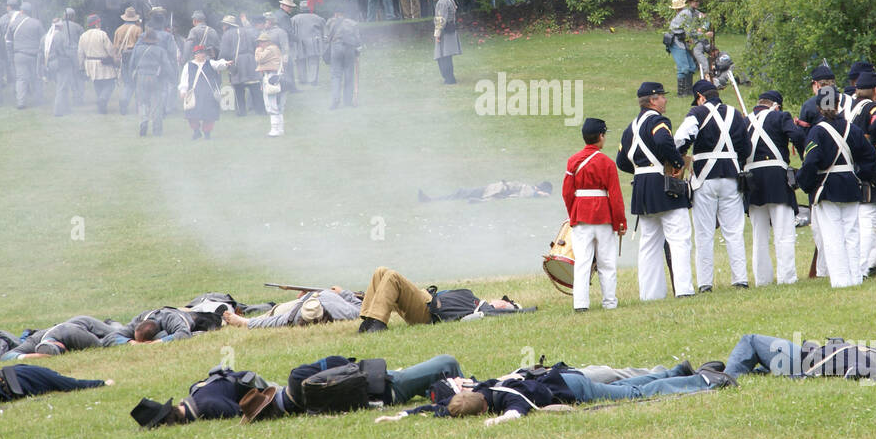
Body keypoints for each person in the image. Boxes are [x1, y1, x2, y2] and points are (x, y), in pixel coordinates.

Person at [131, 354, 465, 427]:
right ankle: (469, 393)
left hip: (378, 393)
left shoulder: (308, 401)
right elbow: (338, 361)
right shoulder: (297, 379)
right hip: (386, 387)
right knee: (446, 361)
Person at [383, 360, 734, 425]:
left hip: (574, 387)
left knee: (635, 394)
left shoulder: (505, 396)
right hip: (565, 378)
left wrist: (499, 423)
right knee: (631, 385)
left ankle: (702, 382)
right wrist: (401, 414)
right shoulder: (485, 389)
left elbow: (516, 411)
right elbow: (440, 408)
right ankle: (678, 370)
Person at [797, 84, 876, 288]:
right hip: (851, 185)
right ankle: (855, 277)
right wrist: (861, 176)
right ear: (838, 104)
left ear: (818, 107)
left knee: (832, 235)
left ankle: (841, 281)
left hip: (827, 187)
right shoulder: (852, 128)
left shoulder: (817, 131)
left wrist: (807, 185)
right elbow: (870, 157)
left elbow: (810, 162)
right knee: (852, 234)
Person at [616, 81, 694, 299]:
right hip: (663, 184)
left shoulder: (629, 128)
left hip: (642, 187)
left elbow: (621, 162)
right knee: (679, 238)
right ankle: (684, 290)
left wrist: (642, 171)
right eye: (661, 96)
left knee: (649, 243)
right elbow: (663, 141)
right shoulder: (659, 121)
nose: (665, 99)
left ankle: (650, 294)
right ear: (652, 100)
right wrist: (677, 163)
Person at [674, 79, 750, 291]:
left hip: (704, 178)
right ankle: (740, 279)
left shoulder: (697, 114)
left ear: (700, 97)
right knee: (734, 231)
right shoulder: (735, 114)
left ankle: (705, 283)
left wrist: (682, 158)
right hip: (731, 177)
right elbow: (746, 147)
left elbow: (680, 139)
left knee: (704, 233)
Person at [563, 117, 628, 311]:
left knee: (582, 262)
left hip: (581, 215)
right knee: (607, 262)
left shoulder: (573, 161)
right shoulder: (607, 163)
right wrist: (620, 223)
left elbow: (567, 193)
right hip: (604, 217)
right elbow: (615, 196)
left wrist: (573, 213)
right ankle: (609, 302)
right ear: (601, 136)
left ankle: (580, 304)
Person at [742, 90, 803, 285]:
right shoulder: (780, 116)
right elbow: (797, 136)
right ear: (776, 105)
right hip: (777, 177)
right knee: (784, 231)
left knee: (759, 234)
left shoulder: (745, 121)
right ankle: (787, 277)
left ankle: (762, 279)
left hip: (751, 179)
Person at [355, 267, 522, 332]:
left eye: (507, 303)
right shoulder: (477, 301)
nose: (502, 300)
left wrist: (521, 310)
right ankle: (368, 321)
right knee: (381, 272)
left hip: (428, 311)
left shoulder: (484, 310)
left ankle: (378, 324)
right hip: (426, 298)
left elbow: (512, 314)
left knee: (392, 277)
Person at [846, 72, 876, 277]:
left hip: (849, 168)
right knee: (868, 220)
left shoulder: (847, 109)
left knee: (854, 221)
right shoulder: (875, 107)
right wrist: (875, 151)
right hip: (867, 168)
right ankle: (862, 268)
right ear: (875, 90)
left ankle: (854, 266)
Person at [725, 334, 876, 379]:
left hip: (799, 360)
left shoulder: (873, 367)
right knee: (752, 370)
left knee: (750, 340)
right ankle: (704, 375)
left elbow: (856, 372)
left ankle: (724, 379)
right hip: (806, 355)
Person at [222, 287, 362, 328]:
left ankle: (241, 320)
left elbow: (275, 322)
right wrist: (342, 292)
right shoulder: (350, 313)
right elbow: (360, 307)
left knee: (273, 315)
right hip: (310, 298)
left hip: (299, 304)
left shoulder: (298, 316)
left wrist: (245, 323)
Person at [3, 316, 130, 357]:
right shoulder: (33, 342)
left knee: (112, 335)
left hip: (81, 324)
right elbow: (5, 357)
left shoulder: (71, 334)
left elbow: (108, 342)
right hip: (68, 326)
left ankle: (113, 323)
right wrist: (31, 357)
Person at [129, 28, 175, 136]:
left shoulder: (137, 49)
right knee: (157, 104)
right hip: (155, 77)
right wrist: (173, 78)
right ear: (155, 40)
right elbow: (167, 66)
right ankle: (157, 130)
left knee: (142, 102)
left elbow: (132, 63)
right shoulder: (161, 50)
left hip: (140, 77)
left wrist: (129, 77)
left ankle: (143, 121)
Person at [178, 44, 228, 139]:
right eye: (200, 53)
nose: (202, 55)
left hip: (209, 93)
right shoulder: (188, 65)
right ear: (195, 55)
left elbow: (220, 65)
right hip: (194, 94)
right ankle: (196, 131)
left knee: (209, 115)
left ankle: (207, 134)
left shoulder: (210, 63)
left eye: (203, 53)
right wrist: (183, 90)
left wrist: (226, 63)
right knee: (191, 114)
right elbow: (184, 79)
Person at [78, 14, 119, 113]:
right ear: (96, 24)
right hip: (103, 63)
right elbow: (110, 50)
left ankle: (102, 107)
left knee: (97, 84)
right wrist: (115, 60)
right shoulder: (102, 34)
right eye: (99, 22)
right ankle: (102, 99)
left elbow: (80, 53)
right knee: (110, 84)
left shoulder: (83, 36)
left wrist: (81, 66)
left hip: (90, 64)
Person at [219, 15, 258, 117]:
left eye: (223, 24)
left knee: (238, 88)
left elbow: (224, 51)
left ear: (227, 25)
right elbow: (255, 44)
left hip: (237, 61)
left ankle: (241, 112)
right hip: (250, 59)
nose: (222, 27)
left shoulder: (227, 34)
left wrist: (220, 62)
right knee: (254, 85)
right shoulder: (247, 31)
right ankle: (260, 110)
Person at [324, 8, 362, 108]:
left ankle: (335, 100)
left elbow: (326, 39)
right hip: (349, 50)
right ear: (344, 14)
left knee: (336, 76)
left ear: (336, 14)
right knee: (349, 75)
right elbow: (358, 41)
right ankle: (348, 101)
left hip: (336, 49)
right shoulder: (352, 23)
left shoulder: (330, 22)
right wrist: (357, 52)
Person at [10, 2, 43, 109]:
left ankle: (21, 102)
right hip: (34, 55)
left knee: (21, 79)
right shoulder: (37, 23)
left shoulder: (13, 23)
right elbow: (43, 39)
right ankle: (38, 100)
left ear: (21, 11)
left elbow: (9, 41)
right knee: (36, 78)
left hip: (18, 54)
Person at [255, 30, 286, 136]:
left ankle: (275, 129)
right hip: (273, 76)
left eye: (262, 42)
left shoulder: (269, 49)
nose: (260, 44)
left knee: (271, 103)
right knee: (277, 104)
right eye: (259, 42)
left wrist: (258, 50)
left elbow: (259, 58)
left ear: (268, 41)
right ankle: (280, 128)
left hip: (271, 76)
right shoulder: (273, 48)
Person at [113, 6, 143, 115]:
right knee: (137, 83)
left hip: (124, 57)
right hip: (135, 57)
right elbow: (140, 45)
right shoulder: (138, 29)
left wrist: (116, 57)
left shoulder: (118, 30)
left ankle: (124, 100)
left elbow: (115, 47)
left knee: (127, 83)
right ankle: (137, 107)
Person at [431, 0, 460, 84]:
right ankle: (449, 78)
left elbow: (440, 20)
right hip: (449, 30)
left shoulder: (442, 2)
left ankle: (449, 79)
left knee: (443, 57)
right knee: (446, 56)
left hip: (445, 32)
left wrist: (437, 34)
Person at [666, 0, 696, 97]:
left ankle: (689, 91)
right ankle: (682, 93)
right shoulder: (686, 13)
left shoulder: (683, 13)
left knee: (691, 66)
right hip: (676, 42)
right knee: (684, 67)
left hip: (683, 41)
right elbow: (689, 30)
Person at [420, 180, 554, 202]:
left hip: (490, 191)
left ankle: (431, 200)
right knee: (460, 193)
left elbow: (528, 194)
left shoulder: (530, 190)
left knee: (460, 193)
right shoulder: (529, 188)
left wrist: (539, 194)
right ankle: (432, 199)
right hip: (490, 189)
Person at [290, 0, 324, 85]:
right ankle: (312, 80)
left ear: (300, 8)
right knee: (313, 62)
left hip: (299, 42)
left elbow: (292, 31)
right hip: (313, 43)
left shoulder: (294, 18)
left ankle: (302, 80)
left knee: (300, 61)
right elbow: (322, 30)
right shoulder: (317, 17)